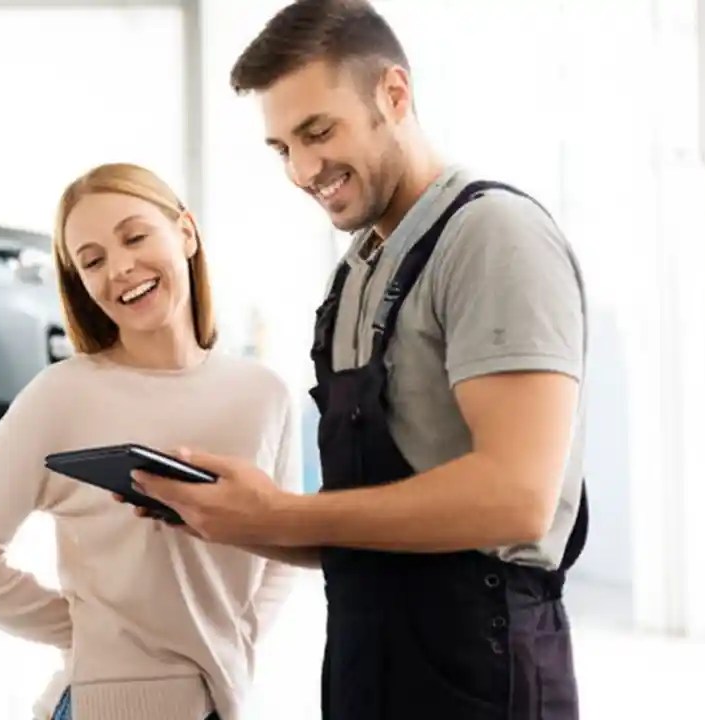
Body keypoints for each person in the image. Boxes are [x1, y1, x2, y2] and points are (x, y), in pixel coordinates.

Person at [127, 2, 590, 719]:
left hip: (481, 675)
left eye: (318, 131)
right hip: (368, 668)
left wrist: (285, 511)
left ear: (394, 95)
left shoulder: (492, 236)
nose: (305, 169)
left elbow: (516, 498)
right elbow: (371, 533)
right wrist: (242, 520)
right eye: (282, 148)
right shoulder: (357, 272)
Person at [0, 162, 304, 720]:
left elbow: (285, 548)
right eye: (93, 260)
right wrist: (93, 634)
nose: (121, 268)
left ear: (186, 233)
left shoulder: (264, 394)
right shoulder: (62, 395)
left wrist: (228, 641)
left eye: (135, 236)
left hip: (227, 701)